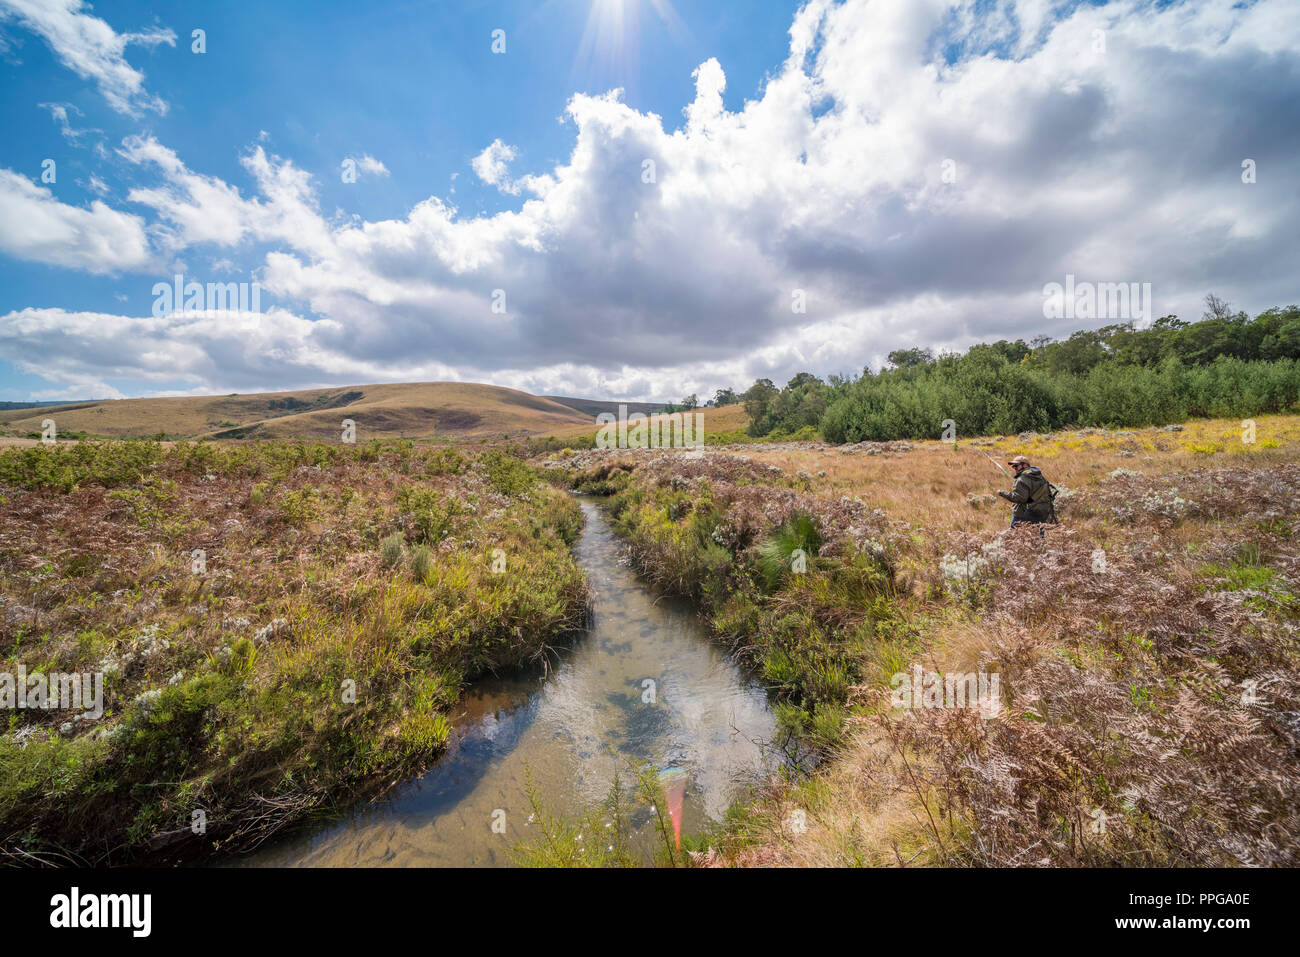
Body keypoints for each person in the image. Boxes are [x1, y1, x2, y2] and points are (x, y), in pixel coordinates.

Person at [997, 455, 1056, 530]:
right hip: (1042, 511)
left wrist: (1001, 493)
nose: (1014, 468)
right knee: (1038, 536)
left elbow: (1019, 498)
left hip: (1023, 514)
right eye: (1013, 466)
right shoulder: (1039, 476)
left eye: (1016, 466)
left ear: (1025, 465)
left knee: (1013, 537)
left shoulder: (1022, 479)